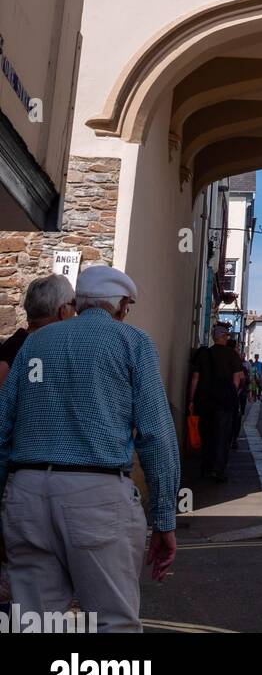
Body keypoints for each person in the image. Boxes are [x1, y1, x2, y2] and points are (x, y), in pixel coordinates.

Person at [0, 264, 180, 632]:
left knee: (35, 622)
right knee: (112, 621)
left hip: (28, 493)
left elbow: (2, 429)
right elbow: (157, 436)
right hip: (96, 495)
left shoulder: (34, 342)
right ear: (122, 305)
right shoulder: (133, 343)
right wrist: (164, 520)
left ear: (77, 304)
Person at [188, 321, 245, 482]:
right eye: (226, 335)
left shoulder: (204, 354)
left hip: (205, 400)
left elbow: (195, 378)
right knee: (222, 436)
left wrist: (191, 399)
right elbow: (237, 378)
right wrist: (231, 393)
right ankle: (218, 470)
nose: (227, 338)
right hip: (224, 402)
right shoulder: (231, 355)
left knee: (206, 435)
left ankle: (206, 468)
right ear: (221, 337)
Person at [0, 273, 76, 388]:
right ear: (63, 311)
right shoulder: (19, 349)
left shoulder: (15, 346)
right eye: (73, 304)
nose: (75, 311)